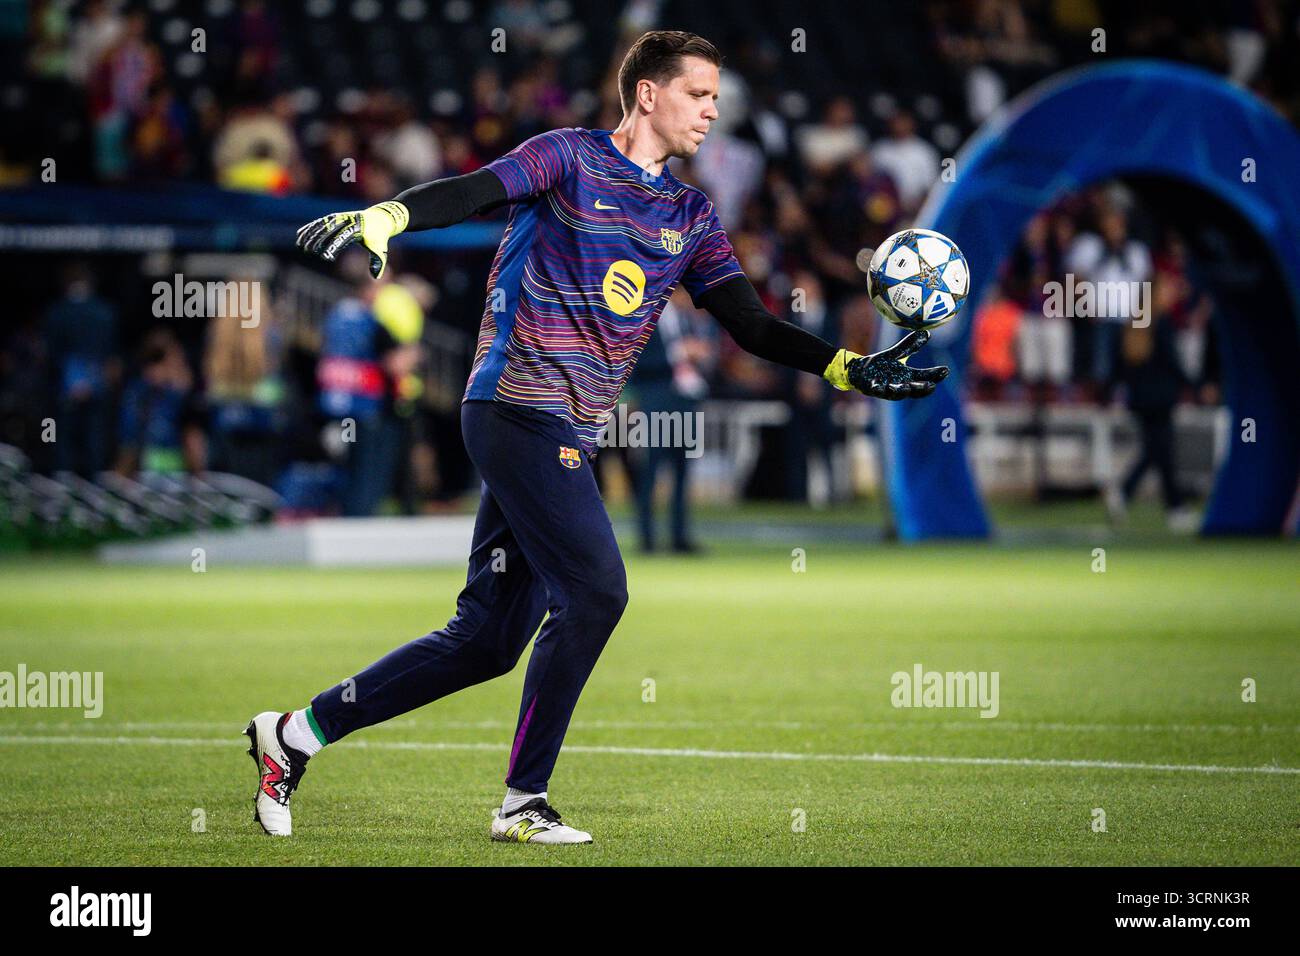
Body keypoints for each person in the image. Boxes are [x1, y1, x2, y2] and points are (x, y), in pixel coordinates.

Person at [251, 30, 948, 844]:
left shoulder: (689, 214)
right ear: (647, 94)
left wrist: (848, 369)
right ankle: (523, 802)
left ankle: (294, 735)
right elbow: (477, 190)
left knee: (486, 639)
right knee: (597, 591)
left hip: (561, 423)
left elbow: (751, 324)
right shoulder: (568, 158)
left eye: (718, 99)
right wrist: (392, 215)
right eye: (699, 94)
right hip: (516, 405)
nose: (712, 112)